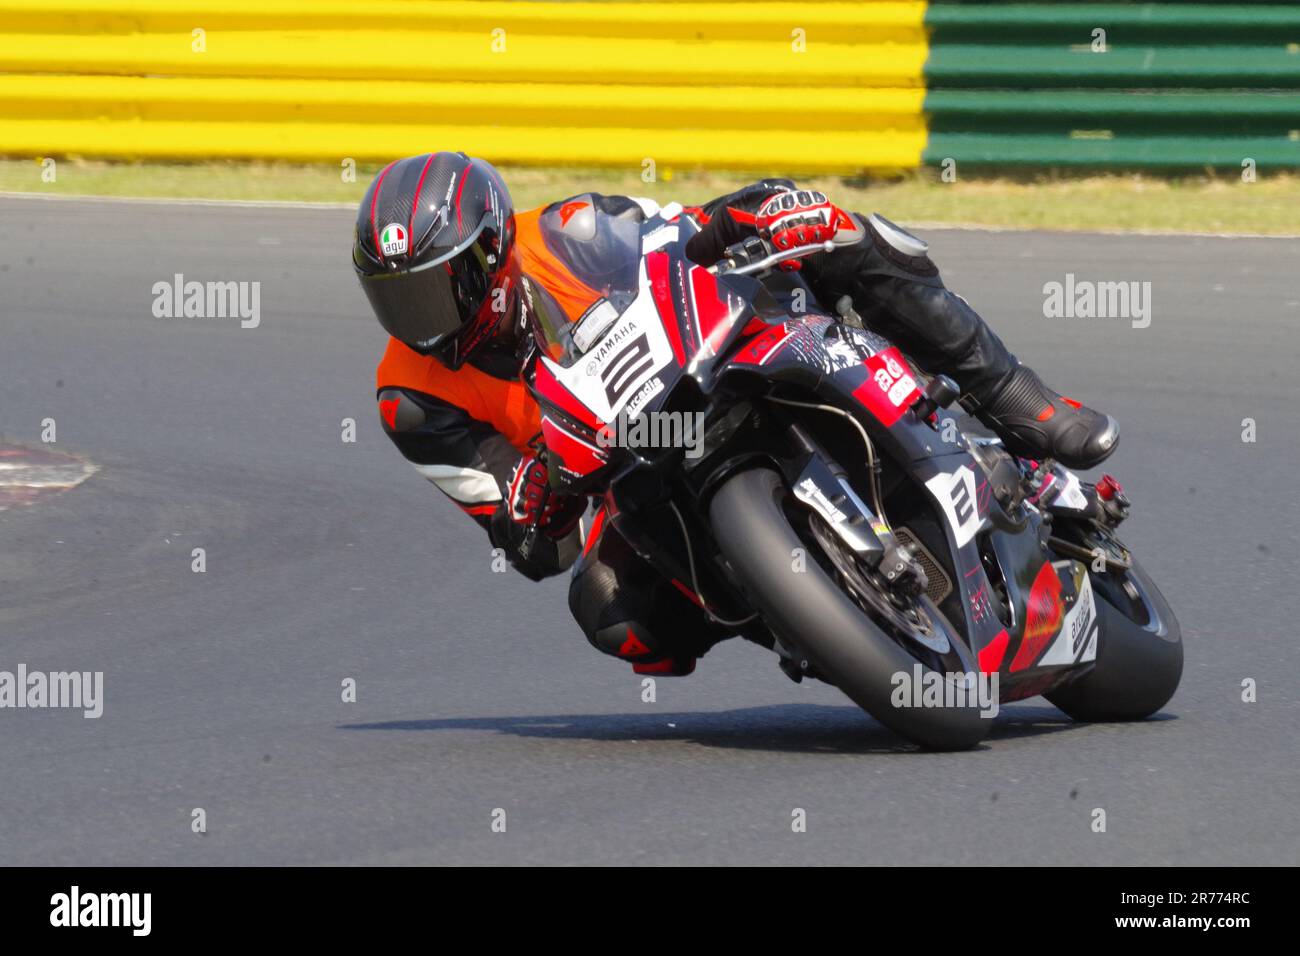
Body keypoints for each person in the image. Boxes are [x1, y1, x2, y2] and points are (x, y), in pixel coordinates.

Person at [355, 151, 1118, 675]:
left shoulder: (571, 230)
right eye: (396, 300)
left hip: (709, 364)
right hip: (629, 475)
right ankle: (817, 625)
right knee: (610, 613)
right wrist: (533, 501)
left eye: (434, 289)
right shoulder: (412, 400)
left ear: (492, 255)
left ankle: (1025, 403)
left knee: (837, 235)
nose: (422, 322)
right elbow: (534, 550)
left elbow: (685, 233)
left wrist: (756, 212)